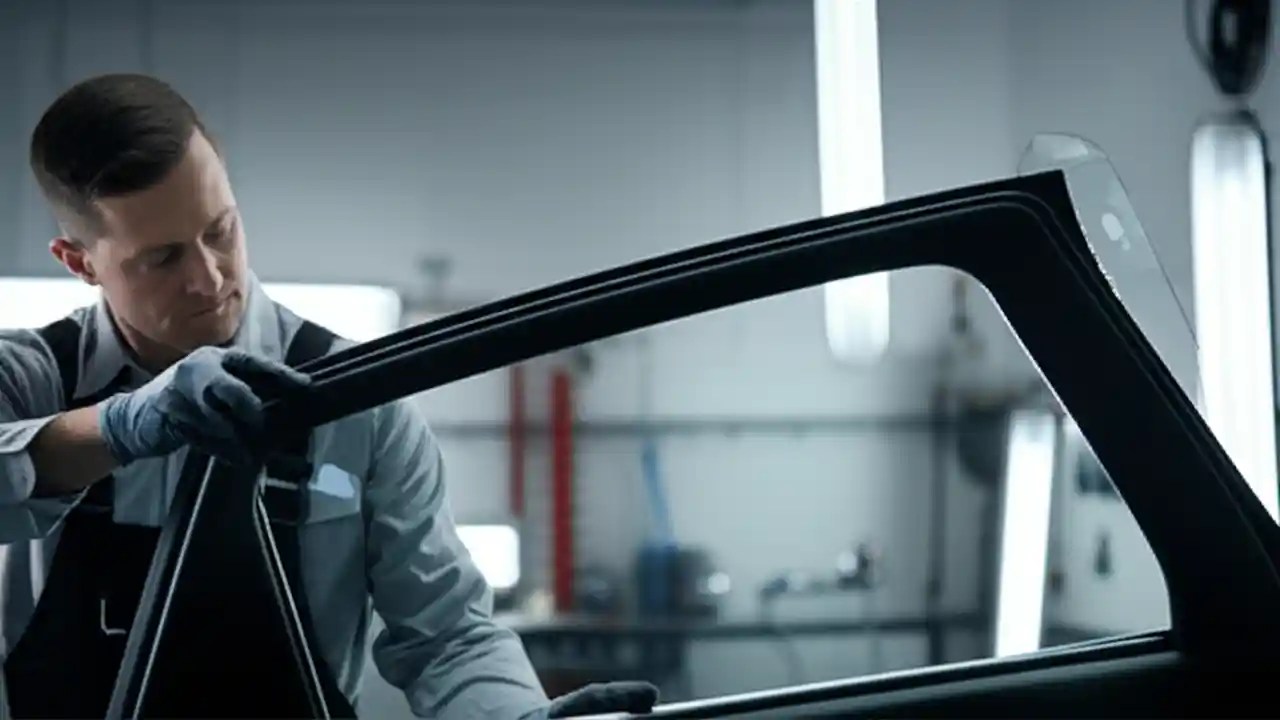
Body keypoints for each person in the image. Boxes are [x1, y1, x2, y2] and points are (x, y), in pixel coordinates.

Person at [0, 73, 657, 718]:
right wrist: (121, 428)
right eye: (163, 258)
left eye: (220, 230)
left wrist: (515, 715)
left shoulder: (356, 399)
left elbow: (446, 636)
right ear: (80, 262)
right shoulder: (31, 378)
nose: (209, 277)